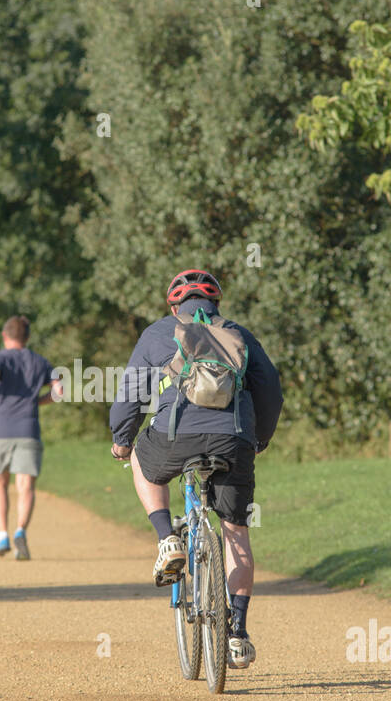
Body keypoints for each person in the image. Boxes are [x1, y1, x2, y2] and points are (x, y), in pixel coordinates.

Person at [108, 270, 282, 669]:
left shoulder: (158, 333)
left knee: (141, 460)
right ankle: (237, 634)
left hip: (174, 438)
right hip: (233, 440)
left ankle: (166, 538)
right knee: (237, 533)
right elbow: (270, 388)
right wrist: (259, 438)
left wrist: (122, 438)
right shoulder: (239, 333)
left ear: (174, 305)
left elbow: (131, 392)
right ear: (216, 303)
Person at [0, 316, 63, 560]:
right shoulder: (40, 361)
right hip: (28, 427)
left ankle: (2, 534)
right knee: (25, 485)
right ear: (27, 337)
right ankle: (21, 531)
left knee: (0, 482)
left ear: (5, 336)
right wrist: (37, 402)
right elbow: (59, 391)